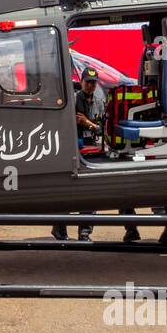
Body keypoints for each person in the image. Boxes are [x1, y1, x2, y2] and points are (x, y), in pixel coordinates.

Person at [54, 67, 106, 241]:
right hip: (72, 150)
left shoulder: (99, 101)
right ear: (82, 81)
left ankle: (84, 232)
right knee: (66, 193)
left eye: (93, 82)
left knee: (90, 194)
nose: (90, 86)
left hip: (91, 151)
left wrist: (88, 123)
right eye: (88, 82)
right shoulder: (73, 100)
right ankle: (60, 228)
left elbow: (102, 128)